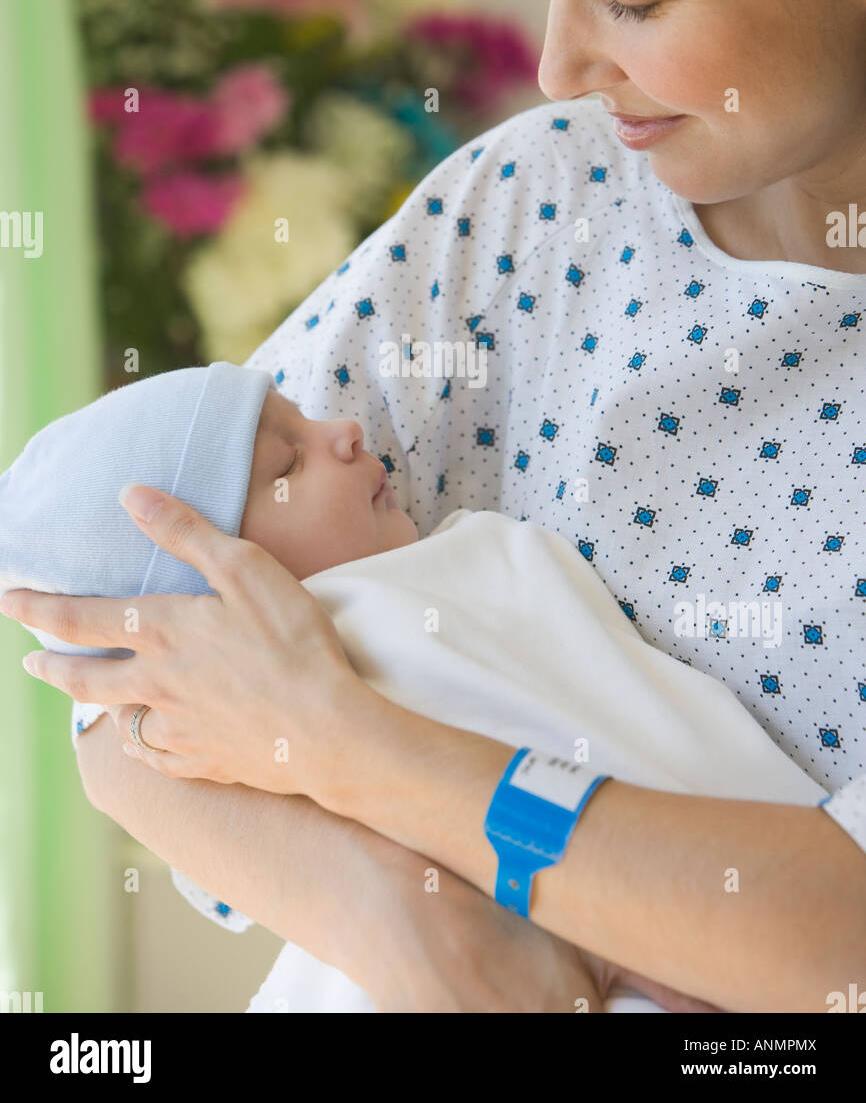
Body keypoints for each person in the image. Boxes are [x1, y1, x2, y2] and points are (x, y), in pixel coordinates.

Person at [7, 0, 865, 1011]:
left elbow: (836, 947)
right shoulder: (529, 206)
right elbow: (129, 688)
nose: (559, 63)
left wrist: (358, 750)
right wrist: (412, 923)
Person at [0, 361, 827, 1012]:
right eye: (288, 462)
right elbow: (108, 718)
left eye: (302, 417)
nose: (346, 429)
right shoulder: (281, 665)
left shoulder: (464, 574)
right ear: (213, 619)